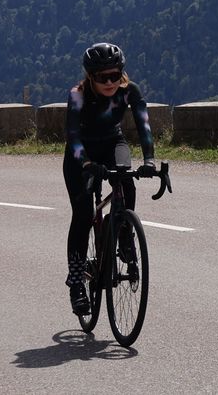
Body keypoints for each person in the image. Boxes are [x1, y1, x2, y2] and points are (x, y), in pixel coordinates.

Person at [63, 42, 155, 314]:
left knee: (126, 178)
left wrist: (149, 159)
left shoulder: (130, 91)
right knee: (82, 215)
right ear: (91, 76)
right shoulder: (78, 95)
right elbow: (72, 135)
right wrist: (87, 163)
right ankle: (77, 283)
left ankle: (124, 231)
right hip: (82, 152)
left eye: (115, 75)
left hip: (113, 143)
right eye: (103, 77)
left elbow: (144, 125)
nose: (111, 82)